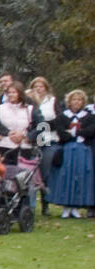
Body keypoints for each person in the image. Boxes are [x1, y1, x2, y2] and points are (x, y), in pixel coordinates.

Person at [49, 89, 95, 218]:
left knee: (80, 177)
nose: (77, 102)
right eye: (74, 99)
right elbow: (61, 133)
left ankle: (75, 206)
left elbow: (91, 131)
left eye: (79, 100)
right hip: (68, 149)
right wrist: (75, 134)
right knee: (66, 176)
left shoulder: (89, 117)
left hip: (83, 151)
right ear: (69, 101)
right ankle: (66, 206)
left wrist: (74, 133)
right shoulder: (63, 116)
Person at [28, 77, 59, 214]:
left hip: (47, 139)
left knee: (45, 172)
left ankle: (45, 203)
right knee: (31, 172)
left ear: (46, 88)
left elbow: (58, 121)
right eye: (36, 86)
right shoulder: (29, 100)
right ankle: (29, 204)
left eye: (41, 86)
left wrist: (44, 124)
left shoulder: (52, 101)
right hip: (31, 140)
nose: (38, 89)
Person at [0, 82, 40, 164]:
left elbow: (42, 125)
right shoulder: (0, 108)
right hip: (4, 146)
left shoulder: (30, 109)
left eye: (13, 92)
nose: (11, 95)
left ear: (20, 94)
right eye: (9, 93)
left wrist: (27, 136)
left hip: (24, 148)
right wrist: (7, 133)